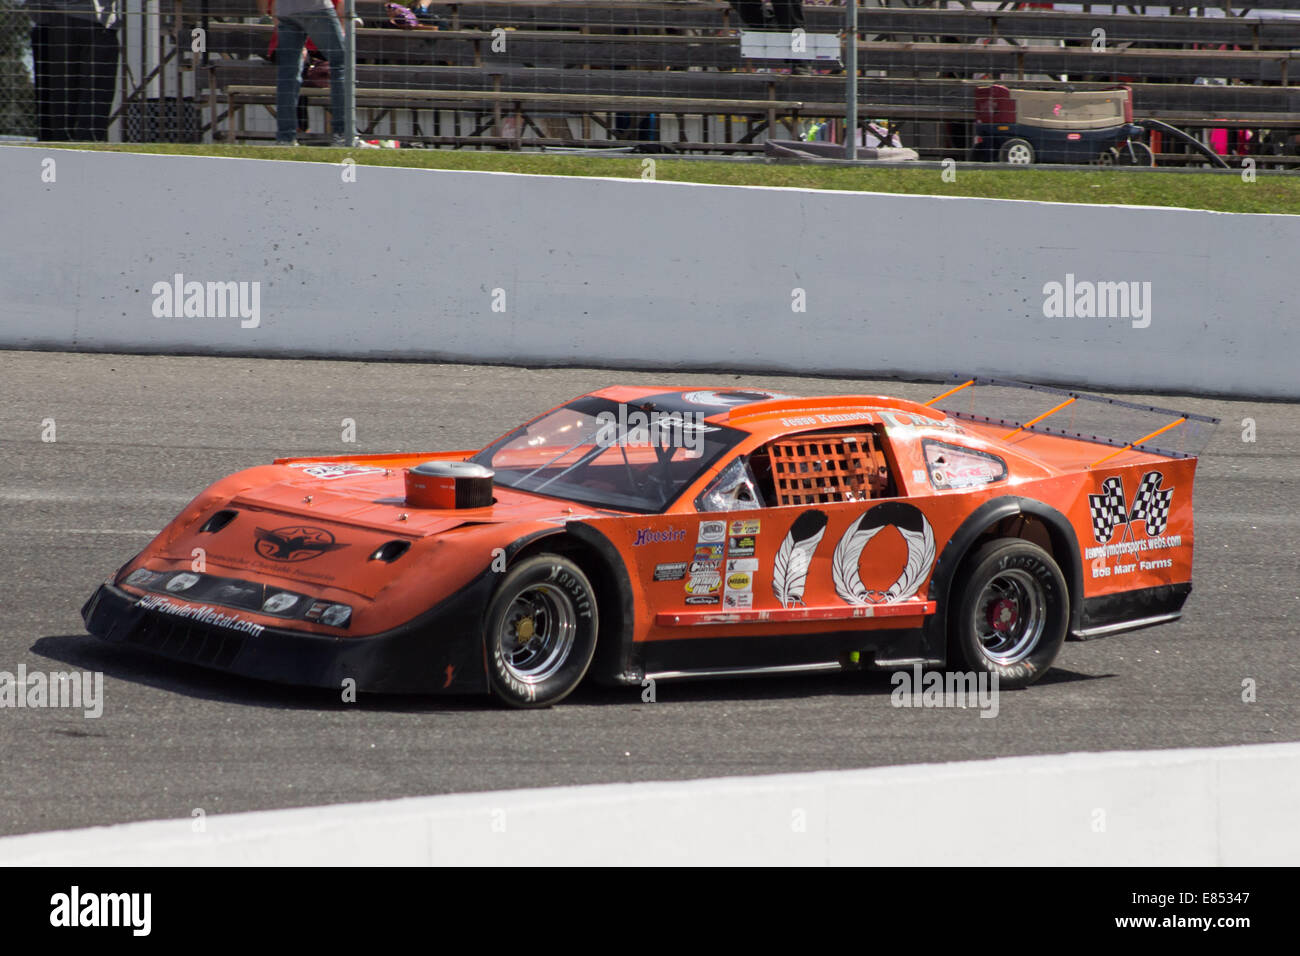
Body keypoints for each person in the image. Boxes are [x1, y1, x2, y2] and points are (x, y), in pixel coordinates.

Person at [257, 0, 353, 146]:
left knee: (288, 74)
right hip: (316, 7)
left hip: (285, 10)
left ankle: (285, 137)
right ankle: (343, 135)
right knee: (341, 64)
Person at [28, 0, 121, 141]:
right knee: (85, 91)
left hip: (67, 19)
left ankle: (70, 141)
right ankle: (77, 141)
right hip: (67, 20)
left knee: (66, 91)